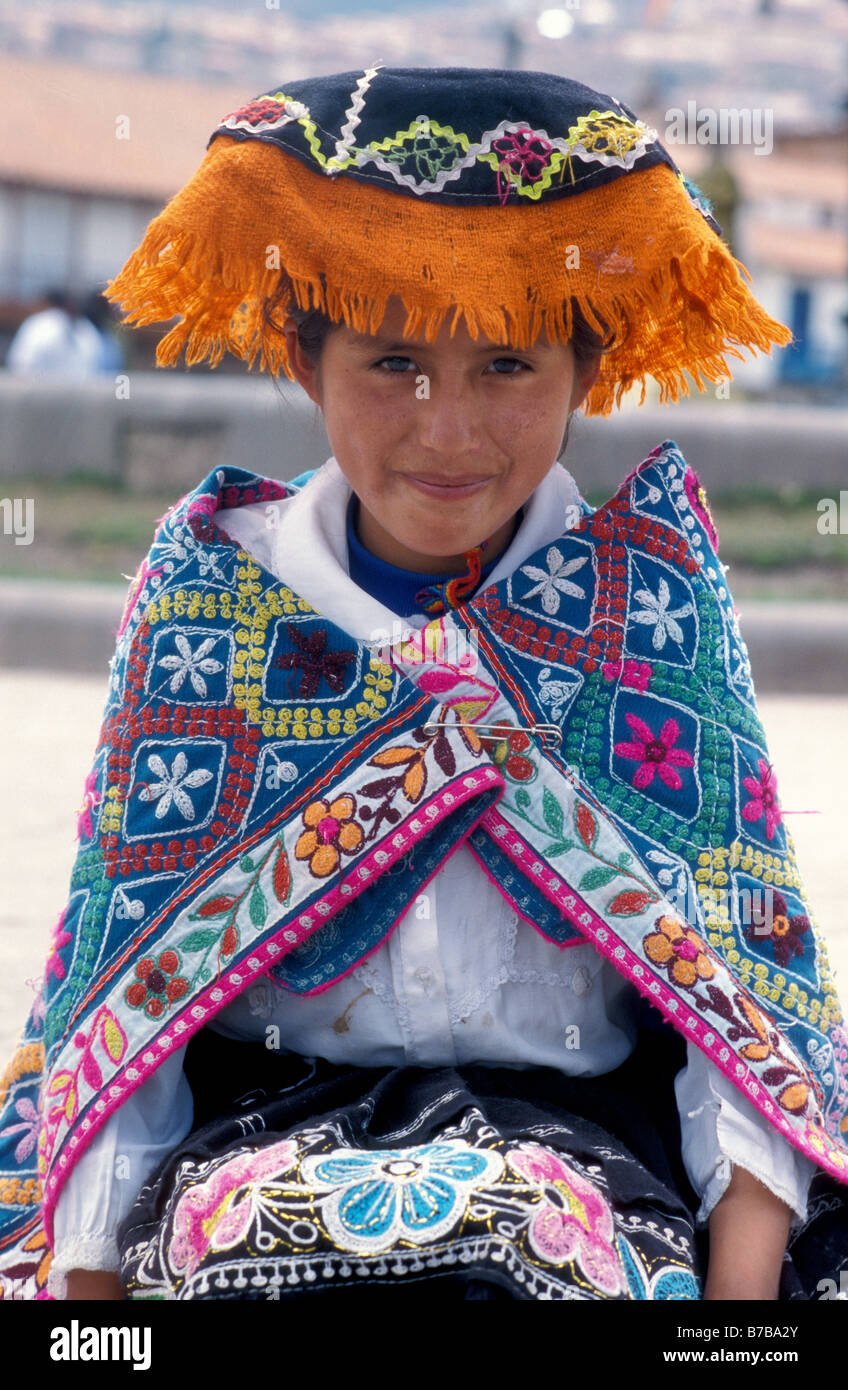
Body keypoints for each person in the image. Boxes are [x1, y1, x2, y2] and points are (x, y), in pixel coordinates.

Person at [1, 65, 846, 1304]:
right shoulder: (216, 609)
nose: (447, 432)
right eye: (392, 362)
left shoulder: (643, 605)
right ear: (302, 356)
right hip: (255, 1145)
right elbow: (126, 1020)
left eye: (507, 365)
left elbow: (737, 1002)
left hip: (596, 1156)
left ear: (585, 365)